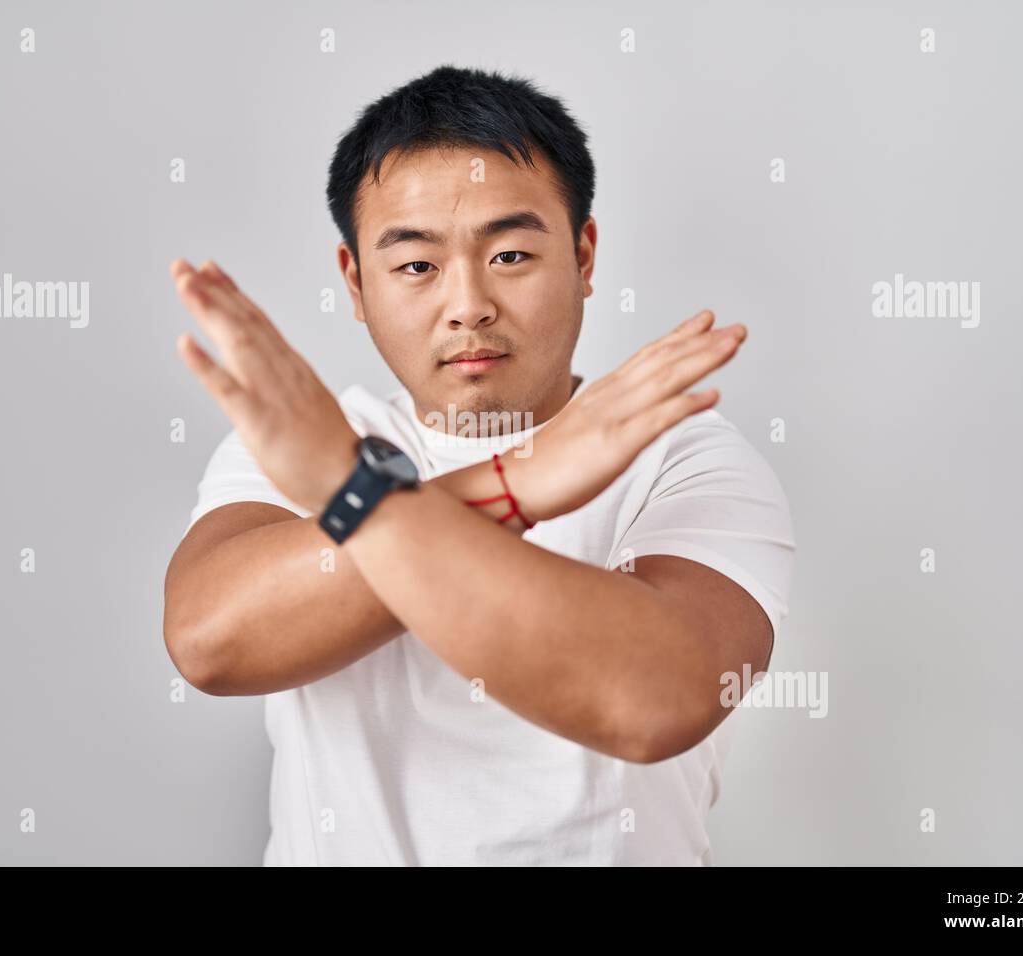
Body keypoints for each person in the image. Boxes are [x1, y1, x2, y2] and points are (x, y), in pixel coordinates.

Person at [162, 64, 795, 865]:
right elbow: (209, 641)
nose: (467, 304)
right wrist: (511, 486)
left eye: (510, 255)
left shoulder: (686, 454)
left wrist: (350, 492)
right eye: (417, 266)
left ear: (584, 254)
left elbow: (654, 702)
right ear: (355, 283)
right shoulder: (310, 440)